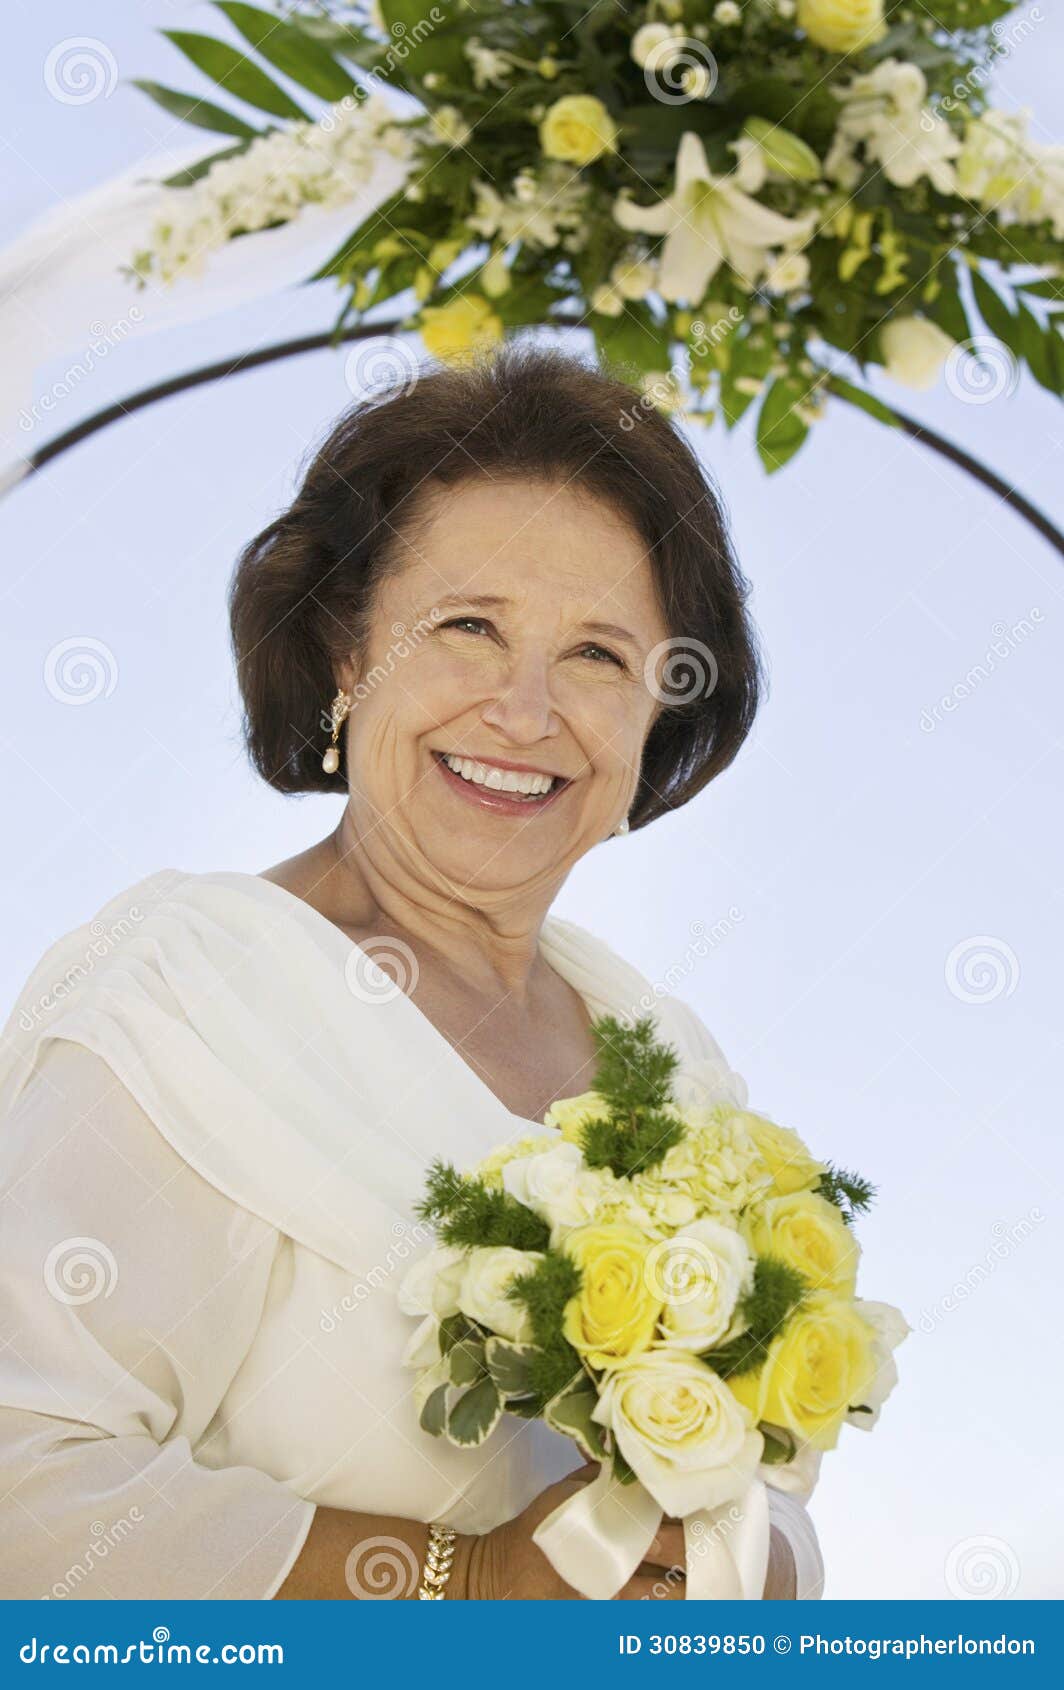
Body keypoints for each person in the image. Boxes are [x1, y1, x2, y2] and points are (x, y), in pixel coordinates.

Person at [0, 342, 823, 1600]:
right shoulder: (186, 992)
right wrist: (464, 1582)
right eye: (466, 628)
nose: (525, 710)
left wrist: (728, 1566)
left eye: (600, 655)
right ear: (343, 653)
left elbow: (766, 1495)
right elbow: (25, 1483)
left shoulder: (667, 1055)